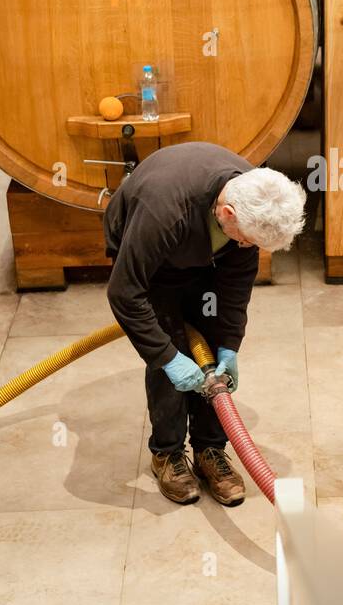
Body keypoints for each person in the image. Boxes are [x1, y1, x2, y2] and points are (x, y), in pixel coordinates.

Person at [104, 142, 306, 506]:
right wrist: (168, 358)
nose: (249, 247)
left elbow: (234, 291)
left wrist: (229, 343)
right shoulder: (163, 209)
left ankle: (210, 449)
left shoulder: (251, 205)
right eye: (247, 240)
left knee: (209, 339)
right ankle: (166, 453)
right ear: (227, 213)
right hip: (154, 264)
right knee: (169, 343)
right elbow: (124, 292)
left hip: (206, 256)